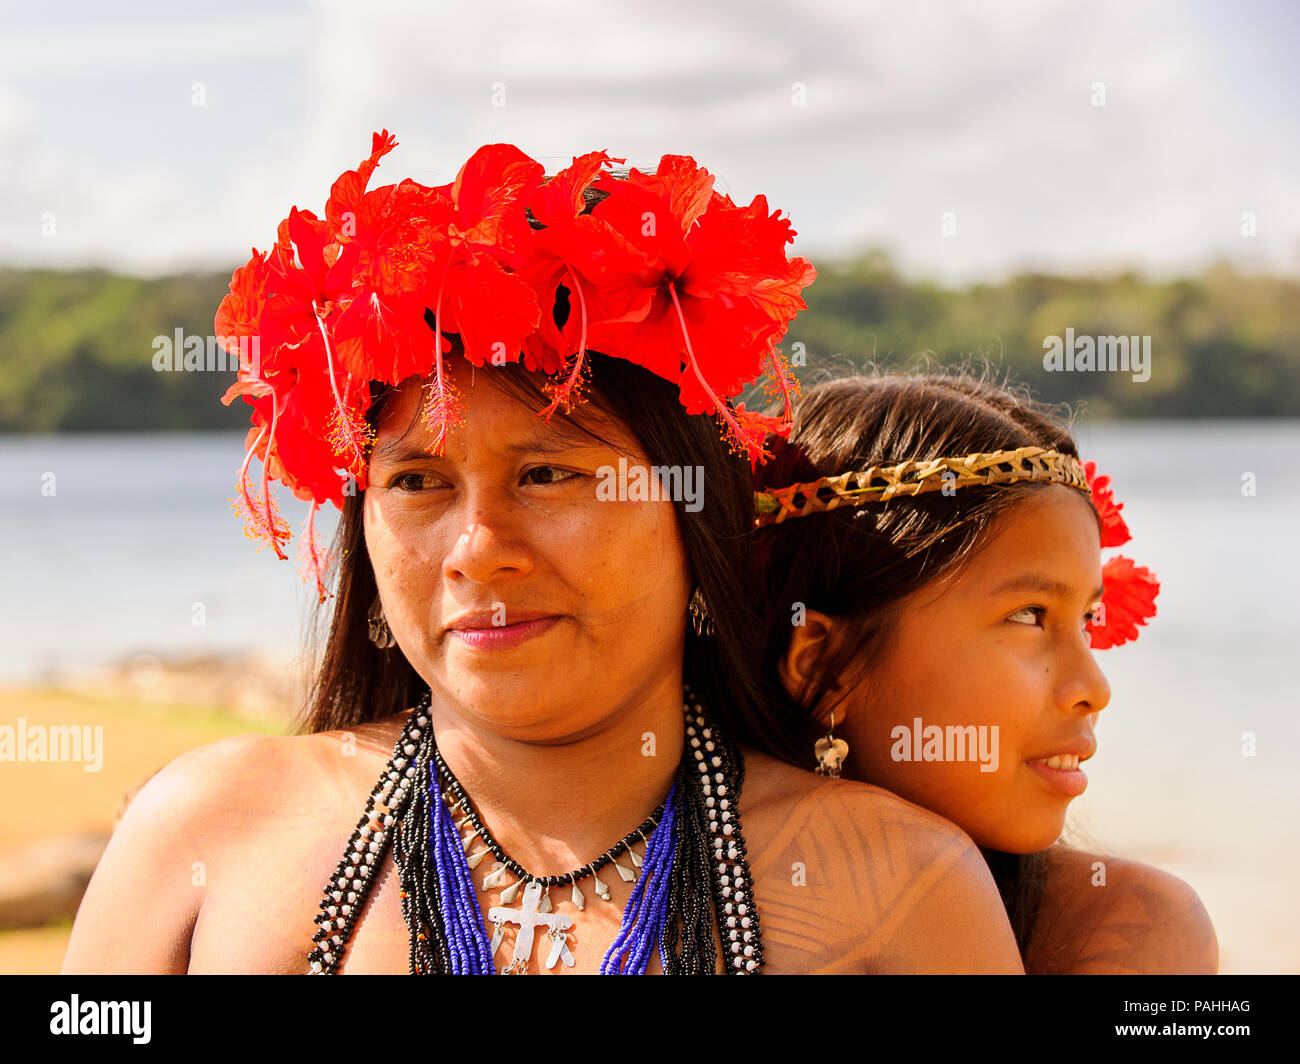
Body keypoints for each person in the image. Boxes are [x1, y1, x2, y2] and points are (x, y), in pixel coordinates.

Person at [62, 136, 1023, 974]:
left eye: (551, 477)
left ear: (696, 512)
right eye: (417, 482)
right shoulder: (205, 833)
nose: (479, 551)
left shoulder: (903, 887)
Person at [751, 370, 1218, 974]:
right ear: (820, 662)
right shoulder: (651, 906)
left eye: (1088, 619)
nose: (1095, 689)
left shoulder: (1133, 931)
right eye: (1029, 615)